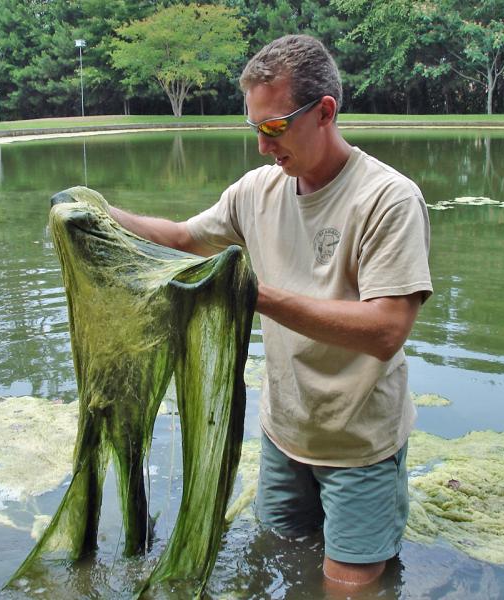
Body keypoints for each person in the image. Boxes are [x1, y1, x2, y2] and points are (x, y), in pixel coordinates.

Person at [109, 34, 432, 590]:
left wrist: (252, 294)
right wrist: (100, 213)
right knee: (279, 557)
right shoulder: (256, 191)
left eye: (275, 127)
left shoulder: (388, 199)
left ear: (324, 112)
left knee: (349, 586)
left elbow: (386, 330)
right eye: (254, 127)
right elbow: (184, 238)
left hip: (358, 445)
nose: (262, 146)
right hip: (283, 436)